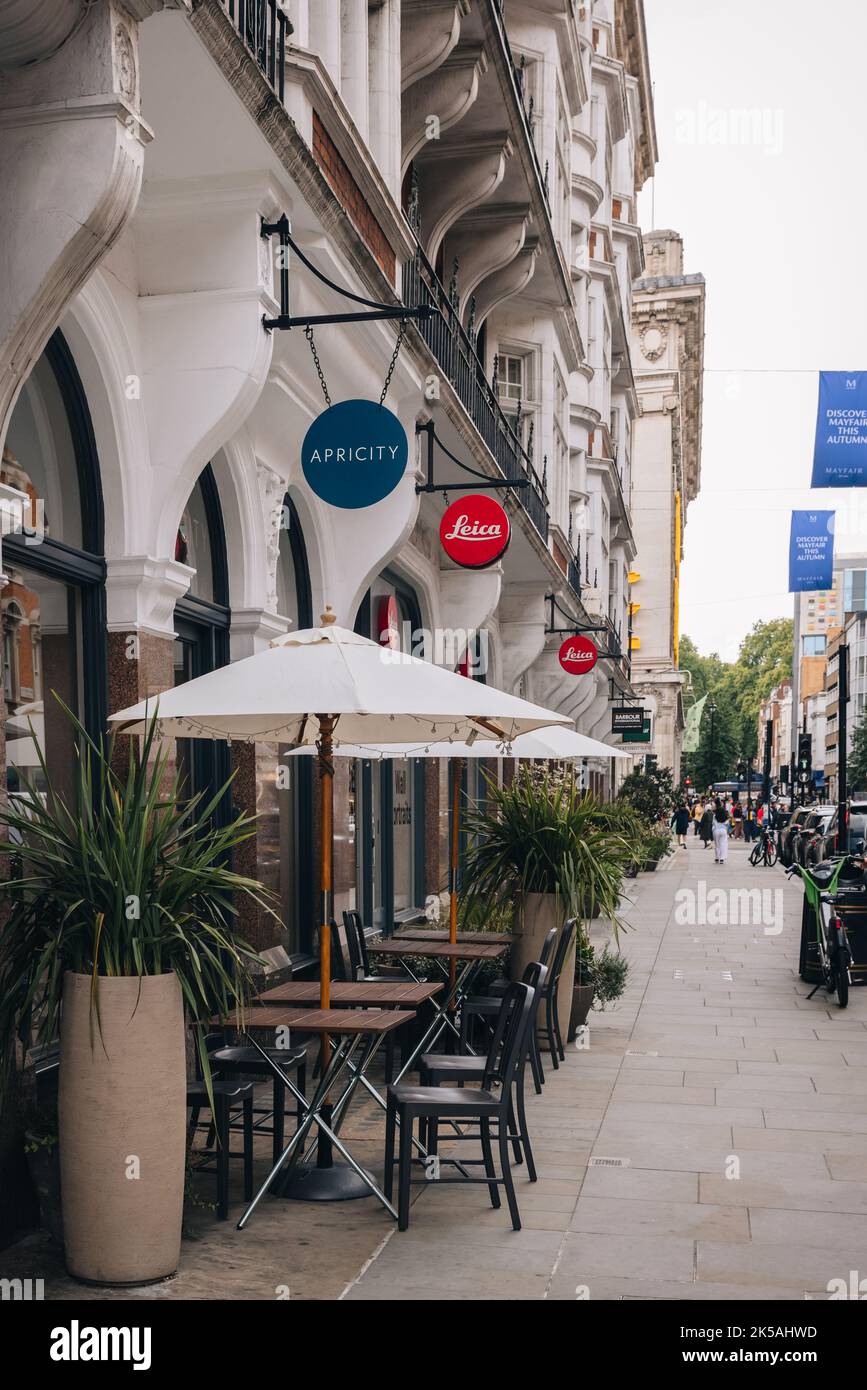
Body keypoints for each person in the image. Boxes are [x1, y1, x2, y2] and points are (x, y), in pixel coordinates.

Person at [712, 797, 730, 864]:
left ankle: (717, 858)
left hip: (716, 830)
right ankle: (722, 858)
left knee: (717, 845)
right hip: (723, 830)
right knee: (723, 844)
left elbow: (713, 823)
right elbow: (727, 823)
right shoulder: (725, 816)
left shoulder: (715, 816)